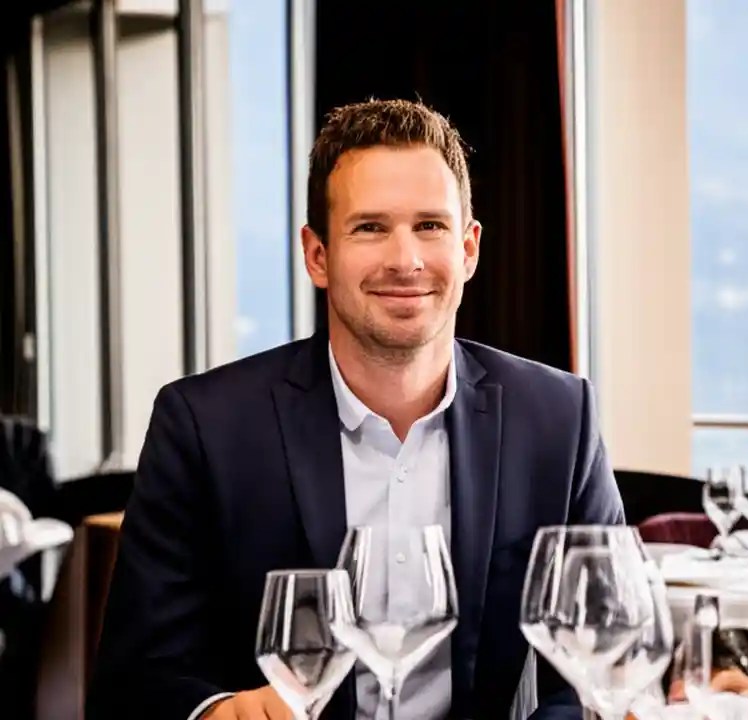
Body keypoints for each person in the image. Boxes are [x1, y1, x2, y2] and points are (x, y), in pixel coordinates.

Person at [88, 98, 623, 720]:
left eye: (431, 226)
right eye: (370, 227)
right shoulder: (204, 426)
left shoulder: (559, 416)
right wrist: (219, 712)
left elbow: (602, 654)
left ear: (470, 248)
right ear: (318, 255)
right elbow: (134, 681)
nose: (405, 260)